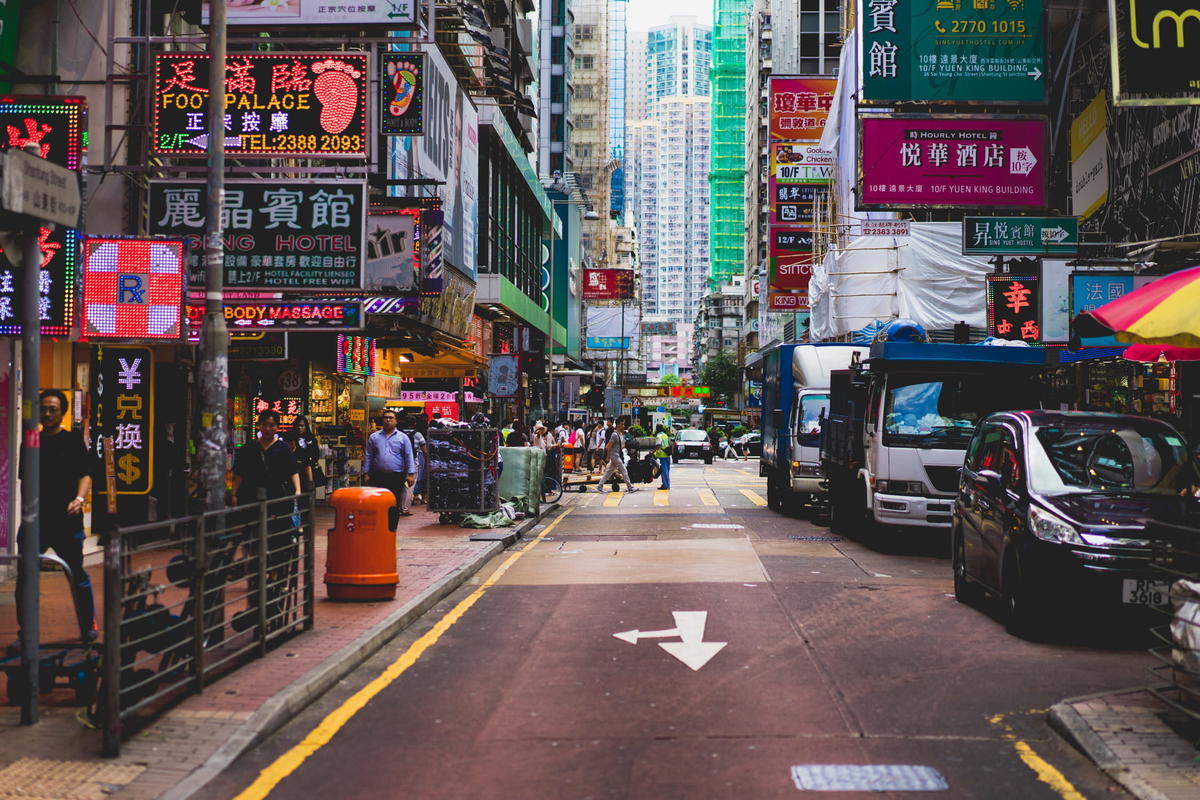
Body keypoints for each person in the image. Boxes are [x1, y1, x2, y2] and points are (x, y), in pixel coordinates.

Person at [17, 390, 96, 642]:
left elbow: (85, 475)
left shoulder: (73, 441)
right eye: (44, 408)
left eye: (53, 409)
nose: (48, 413)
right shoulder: (30, 441)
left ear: (62, 413)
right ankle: (26, 632)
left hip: (67, 521)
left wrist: (79, 499)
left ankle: (87, 627)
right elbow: (24, 481)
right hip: (35, 522)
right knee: (26, 579)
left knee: (77, 575)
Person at [232, 410, 301, 507]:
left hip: (276, 496)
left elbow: (293, 470)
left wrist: (298, 490)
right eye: (264, 425)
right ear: (259, 426)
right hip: (251, 496)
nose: (267, 429)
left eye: (272, 425)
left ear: (277, 427)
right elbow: (239, 472)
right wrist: (234, 493)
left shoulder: (283, 448)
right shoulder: (249, 448)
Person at [364, 409, 416, 530]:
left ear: (396, 421)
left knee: (393, 503)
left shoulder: (403, 438)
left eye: (391, 418)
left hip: (395, 476)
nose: (388, 420)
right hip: (377, 476)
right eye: (385, 418)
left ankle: (391, 529)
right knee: (377, 503)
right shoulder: (374, 437)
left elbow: (409, 456)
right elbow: (368, 456)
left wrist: (411, 474)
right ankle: (378, 528)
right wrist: (366, 473)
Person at [597, 417, 638, 493]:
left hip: (616, 455)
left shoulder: (618, 434)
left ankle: (600, 486)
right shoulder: (614, 435)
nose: (624, 426)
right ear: (618, 425)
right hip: (614, 455)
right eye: (622, 424)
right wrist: (608, 457)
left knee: (609, 472)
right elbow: (608, 446)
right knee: (623, 470)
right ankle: (630, 487)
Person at [291, 415, 320, 492]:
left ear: (306, 426)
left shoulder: (311, 439)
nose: (299, 428)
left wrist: (309, 461)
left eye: (302, 426)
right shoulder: (291, 439)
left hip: (309, 472)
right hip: (295, 471)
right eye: (297, 426)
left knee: (308, 494)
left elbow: (316, 455)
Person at [654, 424, 672, 490]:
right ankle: (667, 484)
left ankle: (665, 485)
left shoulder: (659, 436)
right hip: (667, 455)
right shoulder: (665, 435)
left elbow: (658, 445)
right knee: (667, 471)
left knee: (664, 471)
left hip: (662, 455)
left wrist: (653, 452)